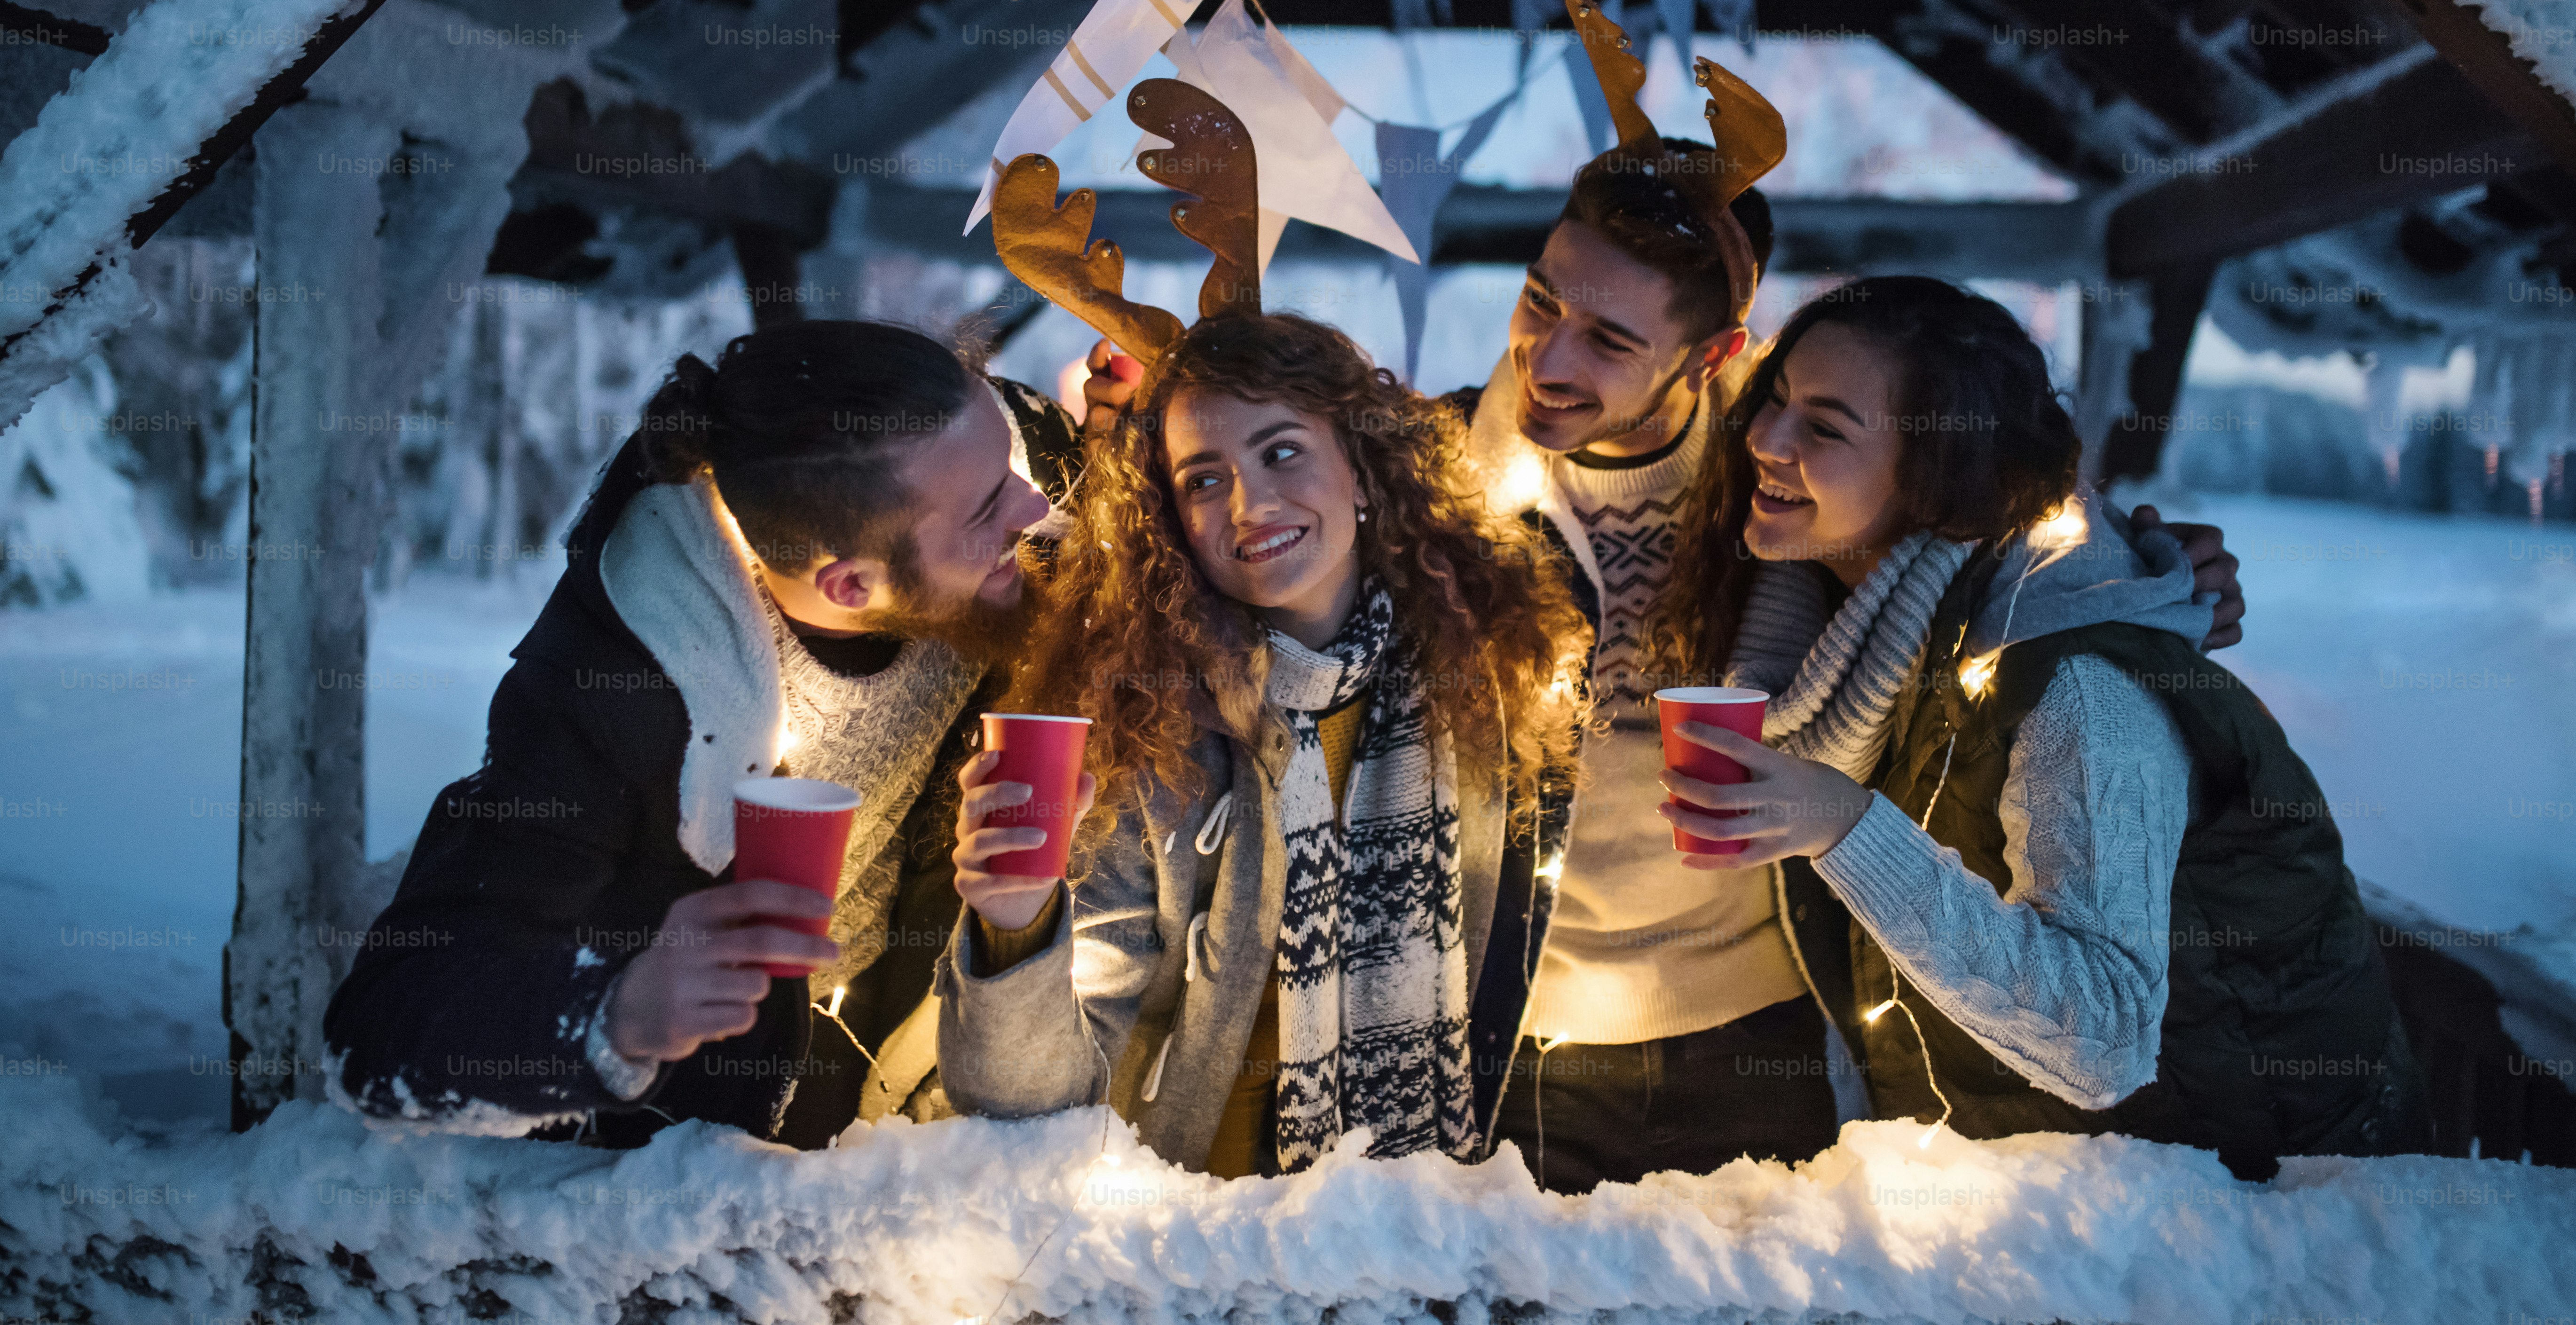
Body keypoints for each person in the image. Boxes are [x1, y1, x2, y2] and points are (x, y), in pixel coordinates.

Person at [1648, 277, 2428, 1179]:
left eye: (1825, 427)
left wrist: (1847, 829)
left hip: (2251, 1219)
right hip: (2049, 1202)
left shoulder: (2079, 678)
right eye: (1775, 399)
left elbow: (2105, 1035)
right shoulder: (1846, 635)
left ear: (1942, 475)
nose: (1764, 439)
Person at [324, 320, 1084, 1147]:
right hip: (703, 1155)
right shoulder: (610, 695)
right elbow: (380, 1034)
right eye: (986, 508)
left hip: (900, 1099)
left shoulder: (962, 460)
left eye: (1006, 459)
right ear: (851, 584)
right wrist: (616, 1016)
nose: (1035, 505)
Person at [936, 312, 1588, 1175]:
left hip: (1420, 1218)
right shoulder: (1144, 727)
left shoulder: (1489, 688)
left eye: (1282, 452)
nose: (1250, 505)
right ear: (1172, 519)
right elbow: (1026, 1110)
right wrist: (1013, 926)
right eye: (1204, 480)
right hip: (1194, 1233)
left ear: (1360, 468)